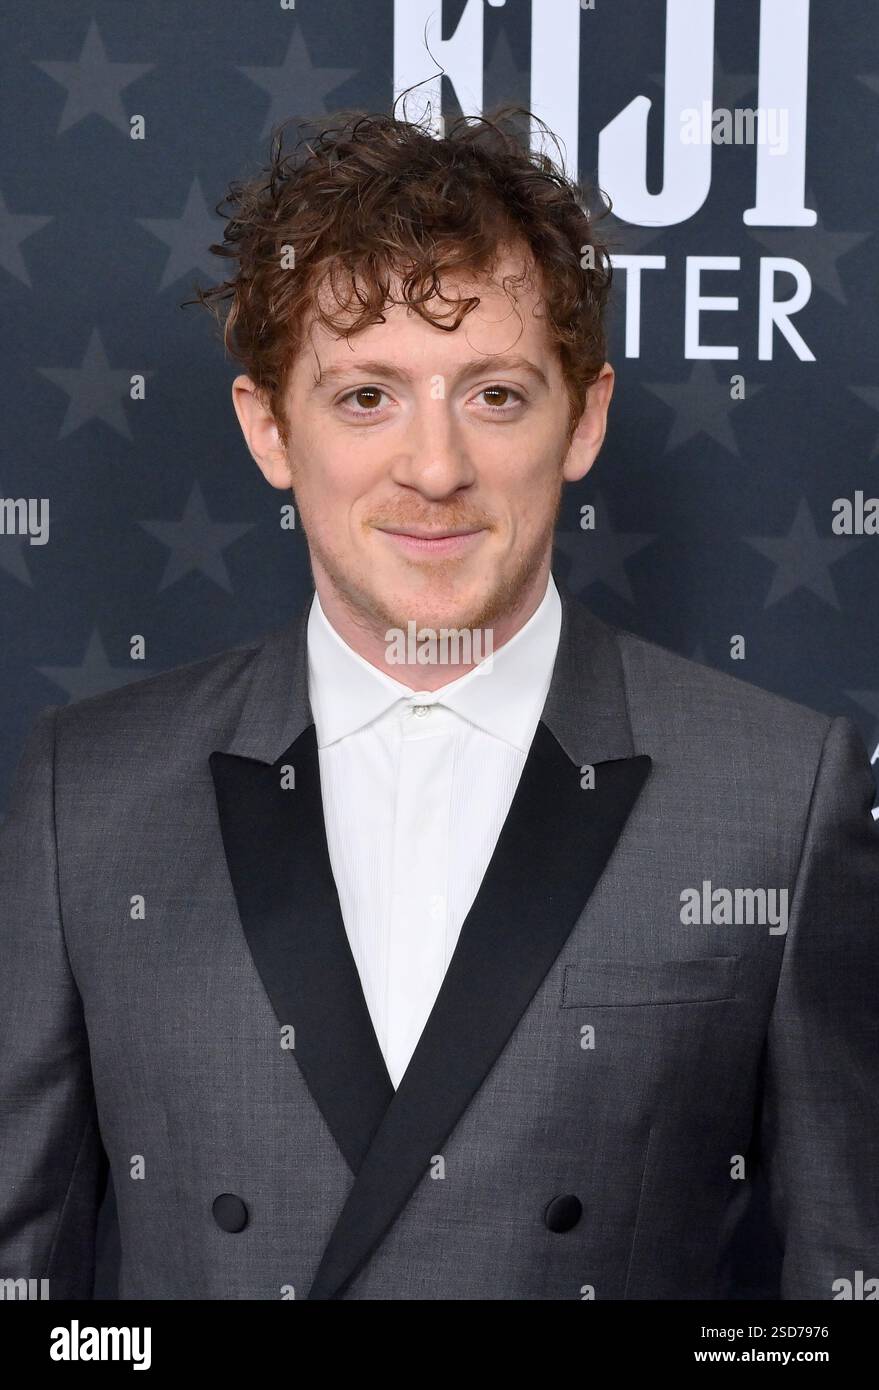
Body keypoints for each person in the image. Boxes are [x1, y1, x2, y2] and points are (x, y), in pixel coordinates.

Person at [1, 109, 877, 1301]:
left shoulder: (780, 792)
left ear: (587, 416)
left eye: (497, 395)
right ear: (269, 428)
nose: (434, 467)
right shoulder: (87, 794)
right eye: (366, 397)